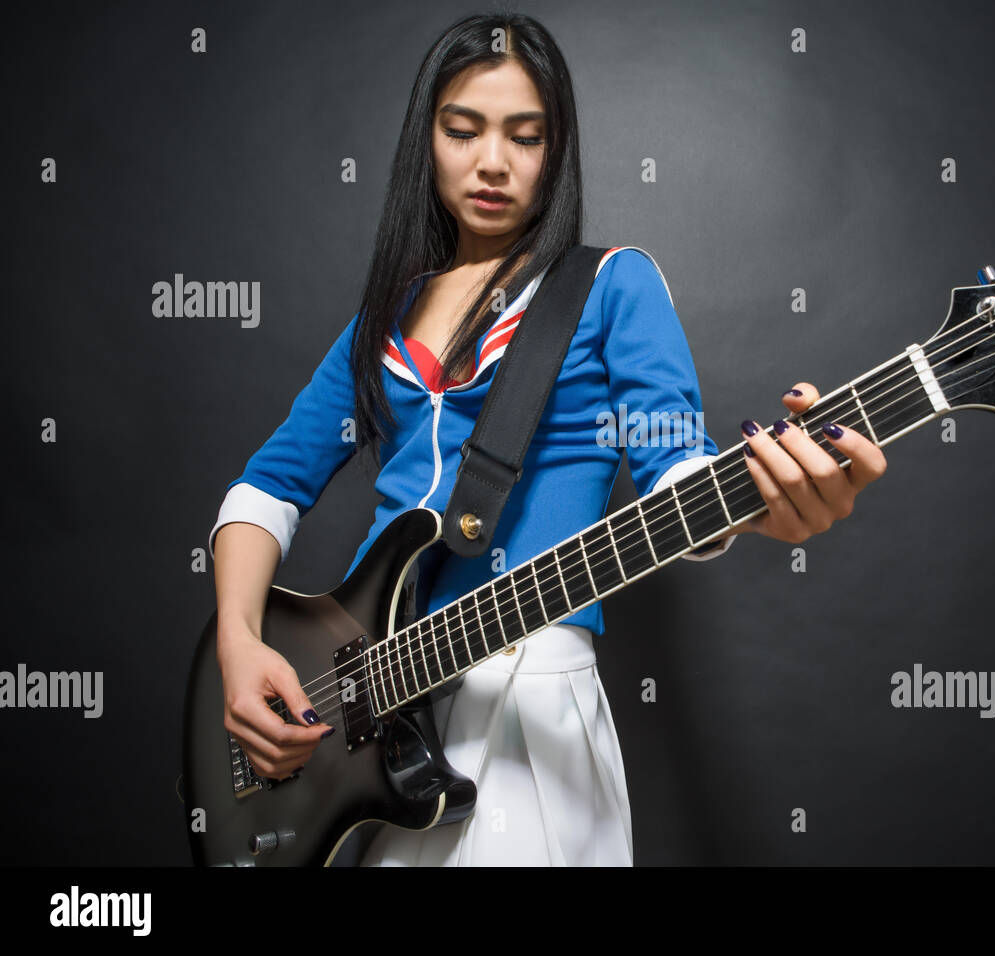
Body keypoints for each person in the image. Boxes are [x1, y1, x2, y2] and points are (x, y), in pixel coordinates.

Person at [208, 12, 887, 867]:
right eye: (463, 129)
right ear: (428, 139)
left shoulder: (611, 285)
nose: (493, 161)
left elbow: (677, 466)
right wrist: (239, 641)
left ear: (555, 152)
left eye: (525, 138)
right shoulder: (381, 321)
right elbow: (267, 487)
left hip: (529, 697)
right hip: (375, 724)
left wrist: (752, 505)